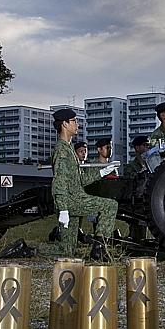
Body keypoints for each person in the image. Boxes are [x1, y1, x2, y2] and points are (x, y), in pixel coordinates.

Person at [51, 107, 119, 256]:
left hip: (72, 199)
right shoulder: (62, 150)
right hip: (71, 200)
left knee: (67, 251)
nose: (77, 124)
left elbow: (80, 179)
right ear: (65, 124)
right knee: (110, 206)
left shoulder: (69, 149)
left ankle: (26, 250)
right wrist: (63, 209)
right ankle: (99, 249)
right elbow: (59, 181)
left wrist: (102, 172)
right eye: (74, 121)